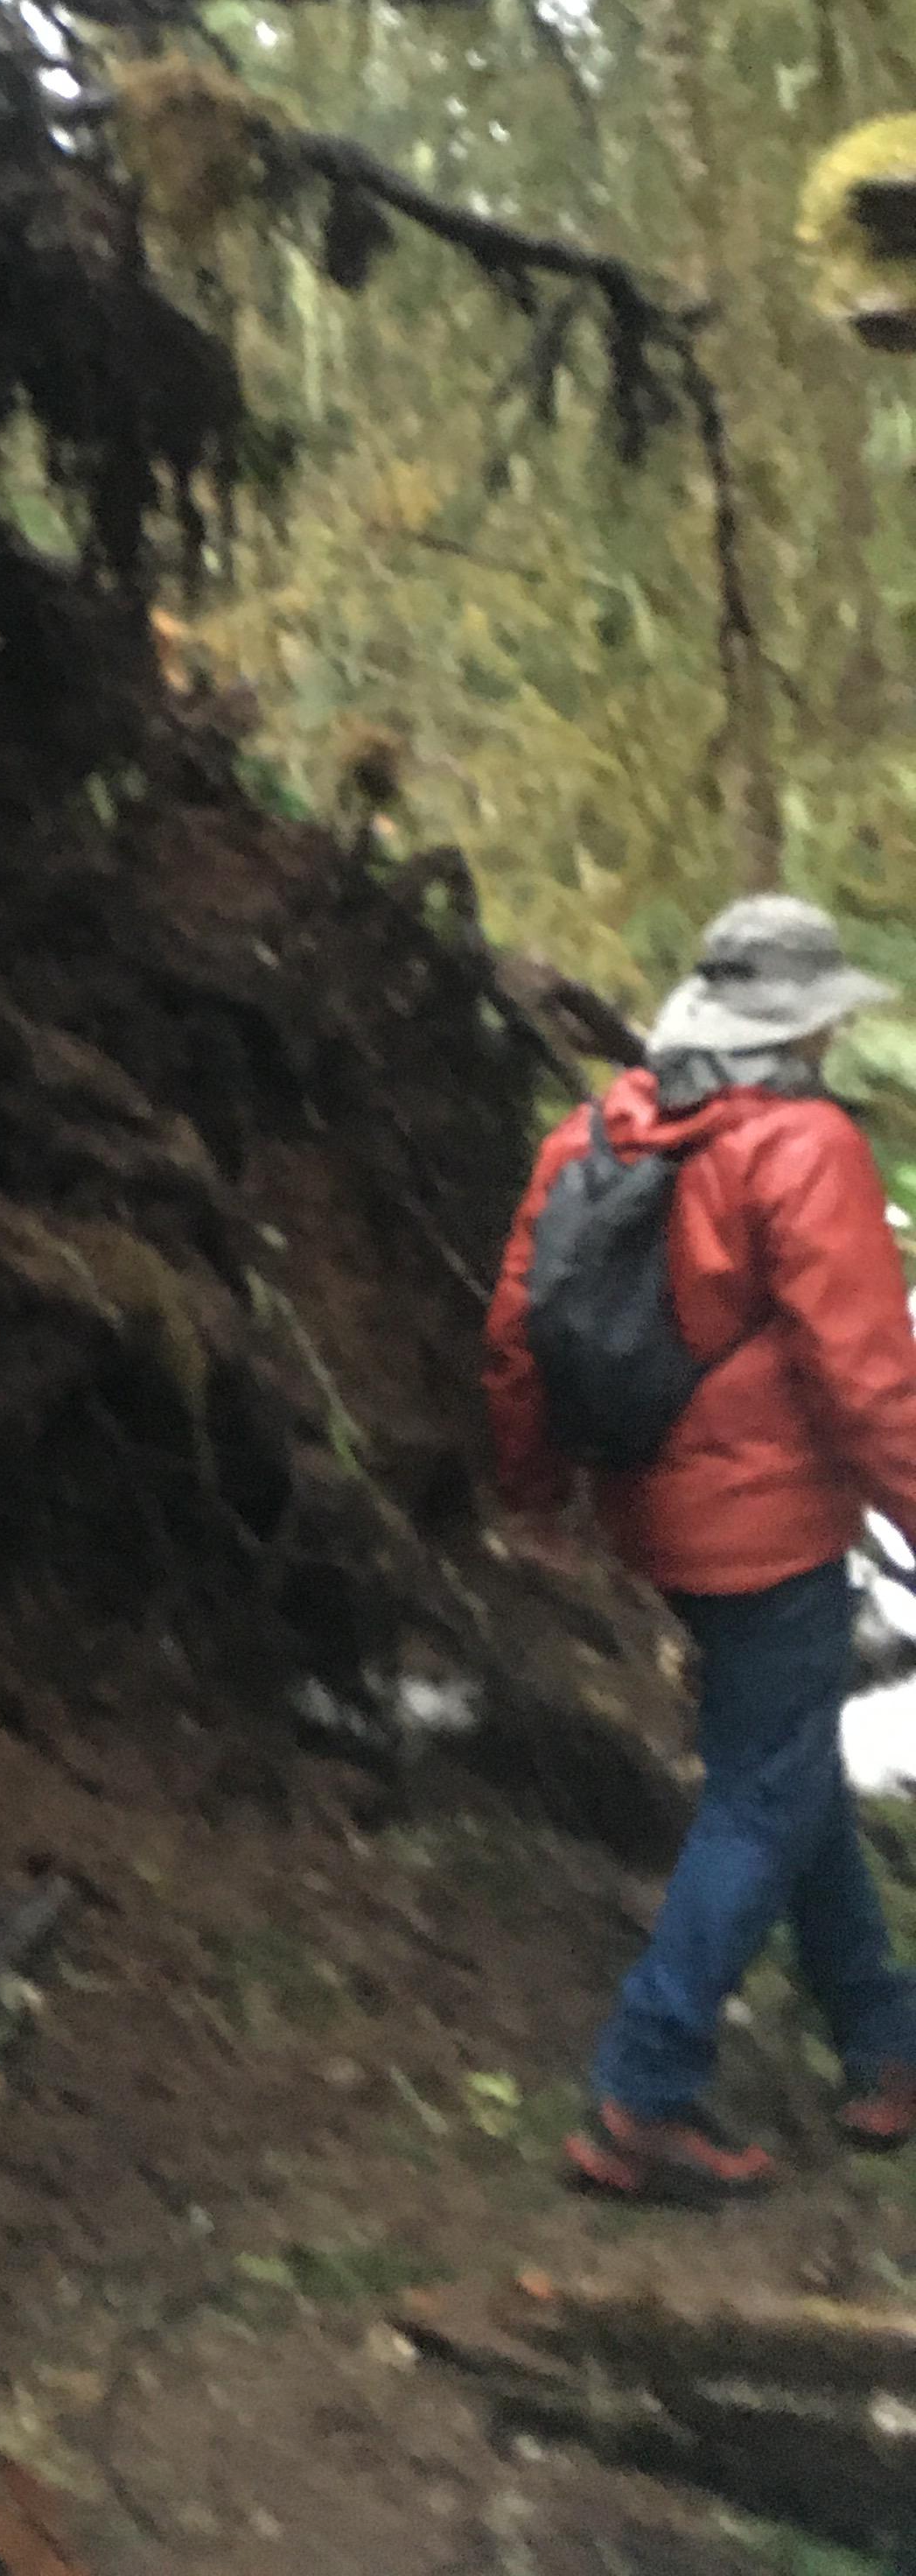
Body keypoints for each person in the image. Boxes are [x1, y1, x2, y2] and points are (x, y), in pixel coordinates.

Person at [485, 893, 916, 2201]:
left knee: (784, 1771)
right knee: (765, 1790)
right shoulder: (801, 1145)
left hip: (651, 1516)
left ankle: (886, 2047)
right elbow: (866, 1375)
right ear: (803, 1030)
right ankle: (646, 2090)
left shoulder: (594, 1133)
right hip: (767, 1527)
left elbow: (520, 1335)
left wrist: (534, 1498)